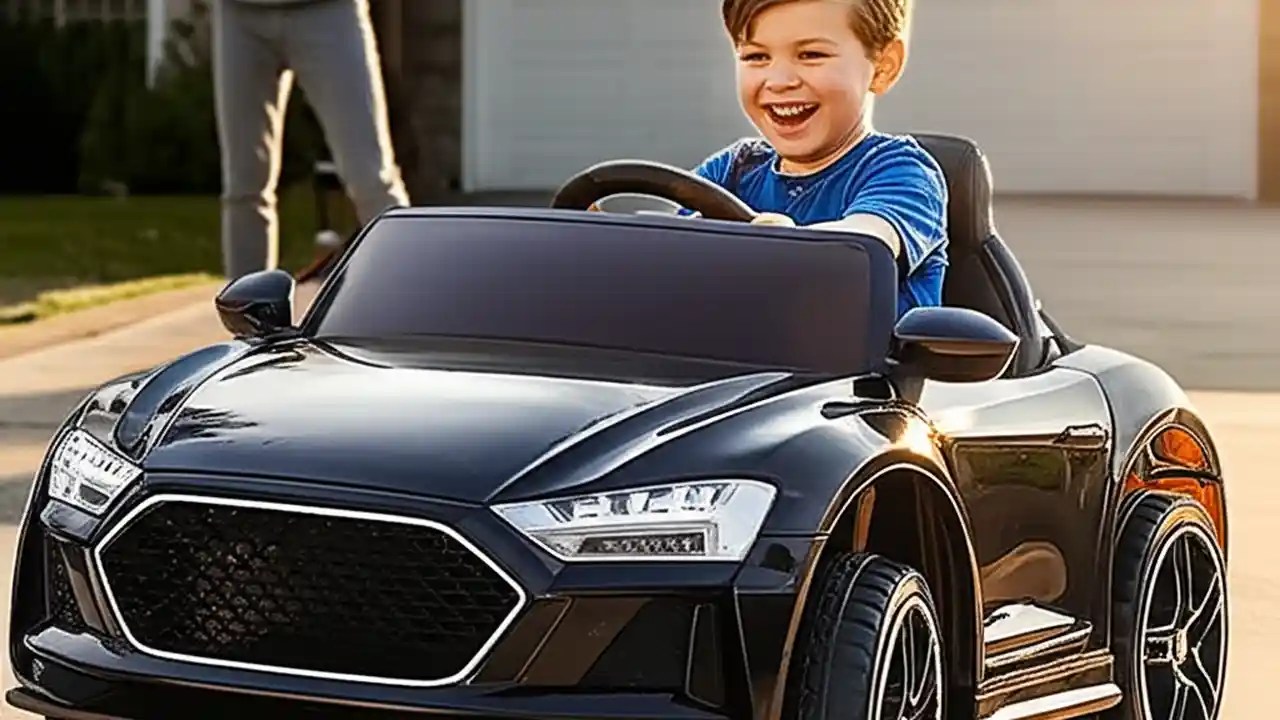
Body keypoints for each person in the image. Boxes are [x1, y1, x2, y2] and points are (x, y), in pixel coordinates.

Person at [695, 0, 948, 318]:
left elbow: (861, 249)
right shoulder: (733, 168)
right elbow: (662, 242)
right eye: (756, 56)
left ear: (883, 67)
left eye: (811, 55)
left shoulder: (902, 172)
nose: (779, 80)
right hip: (726, 360)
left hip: (852, 364)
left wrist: (784, 247)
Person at [212, 0, 410, 280]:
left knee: (370, 178)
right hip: (241, 14)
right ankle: (249, 317)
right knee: (244, 186)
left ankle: (413, 297)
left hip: (329, 11)